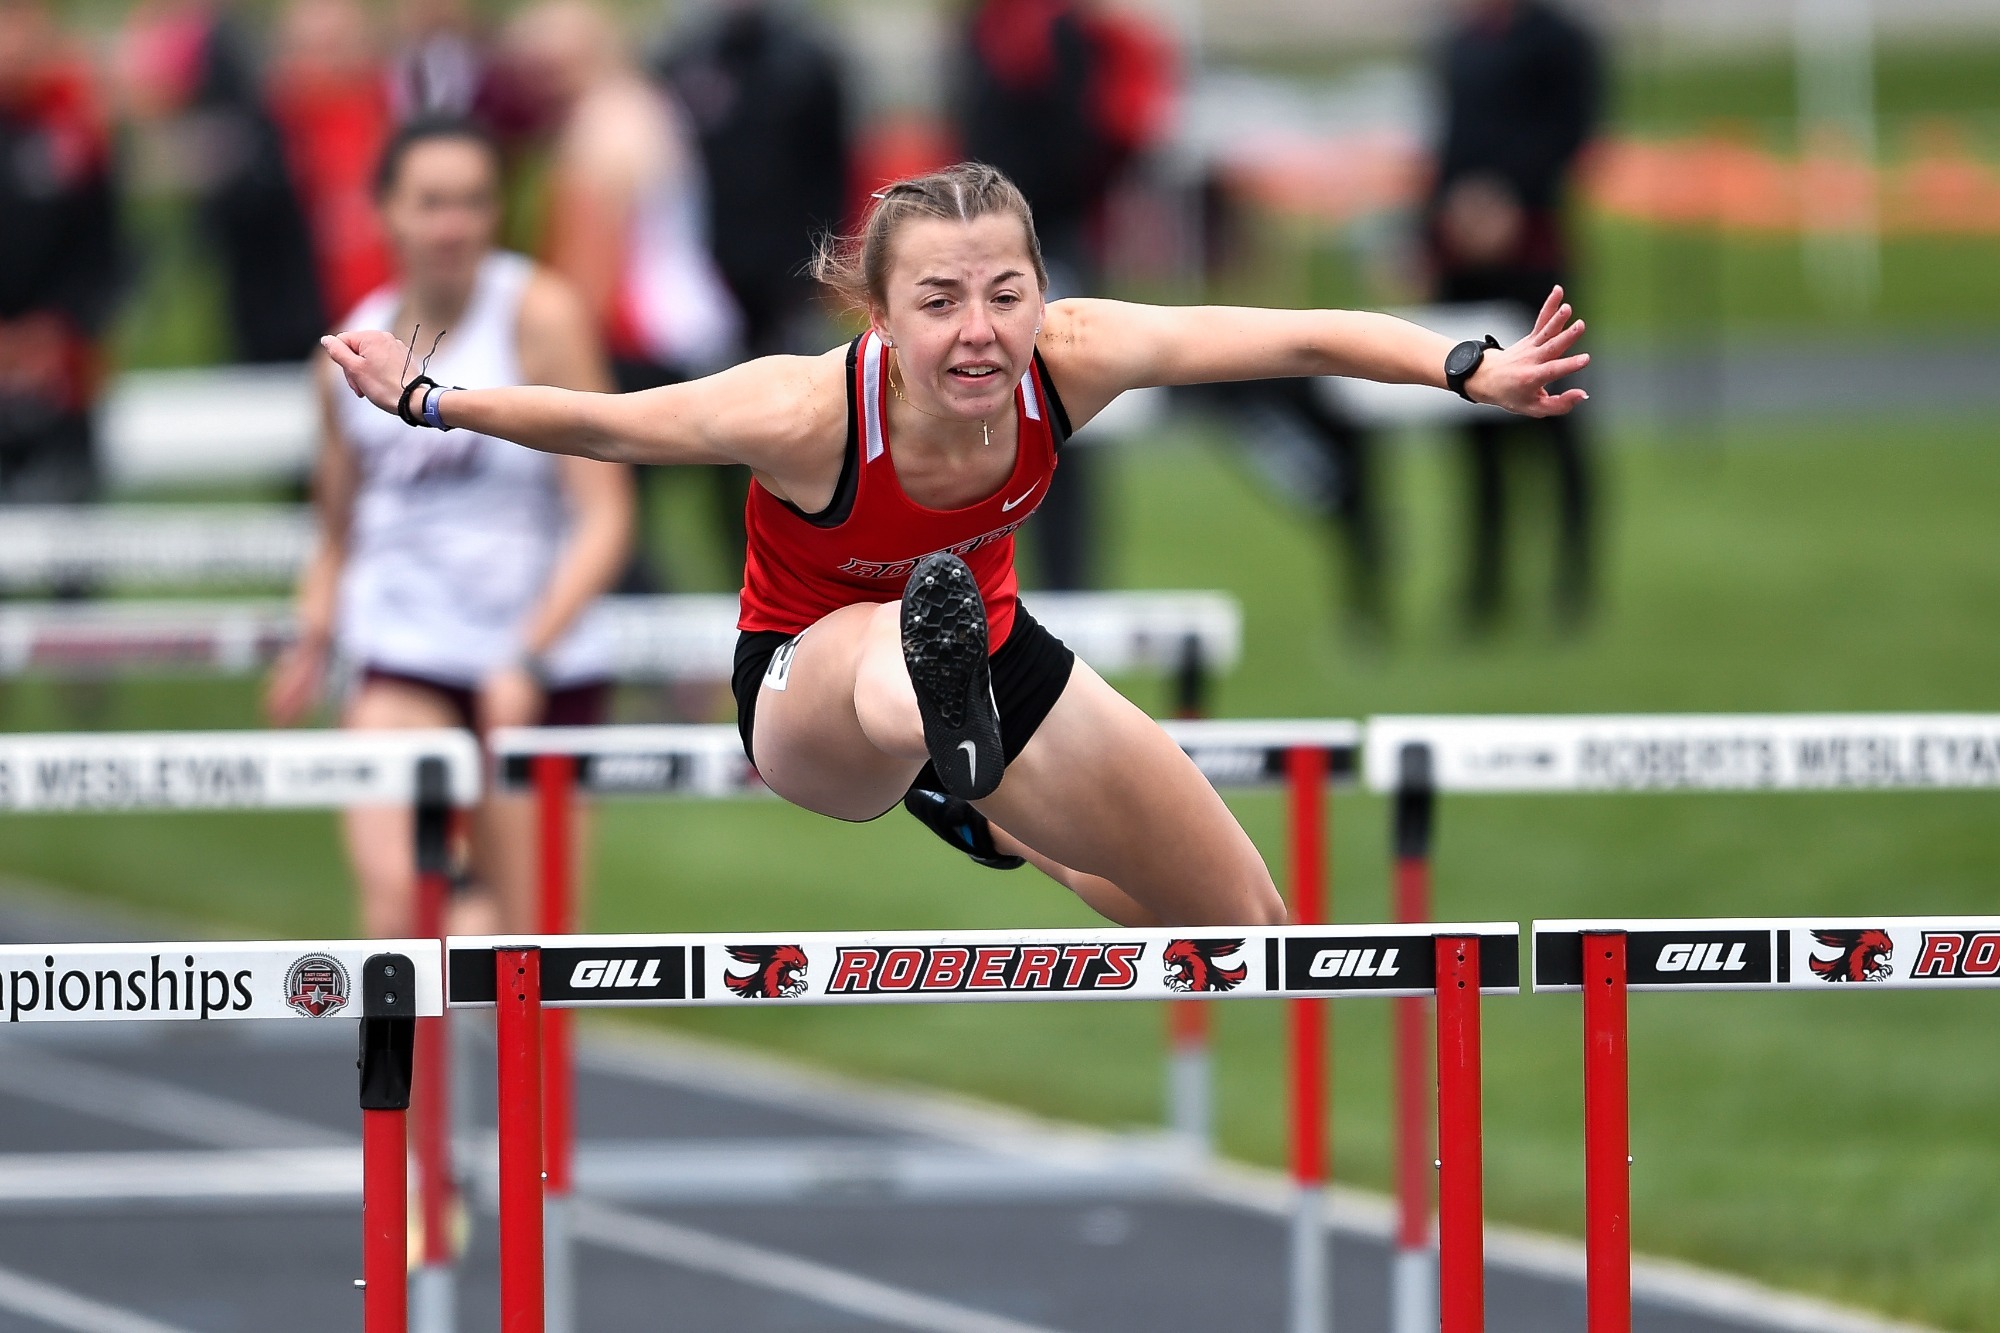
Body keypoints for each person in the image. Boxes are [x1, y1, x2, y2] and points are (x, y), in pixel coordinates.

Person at [322, 162, 1586, 927]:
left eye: (1005, 295)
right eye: (936, 303)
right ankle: (947, 745)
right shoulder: (802, 408)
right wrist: (429, 399)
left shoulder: (1076, 356)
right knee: (892, 635)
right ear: (877, 313)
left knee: (1242, 924)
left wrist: (1463, 366)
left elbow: (1298, 336)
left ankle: (980, 792)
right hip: (805, 692)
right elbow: (606, 426)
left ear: (1043, 291)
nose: (978, 334)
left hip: (982, 655)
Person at [268, 116, 633, 938]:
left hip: (534, 661)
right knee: (400, 910)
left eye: (473, 202)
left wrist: (527, 654)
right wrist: (312, 633)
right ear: (384, 212)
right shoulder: (346, 355)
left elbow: (606, 513)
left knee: (528, 948)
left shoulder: (539, 319)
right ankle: (406, 1031)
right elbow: (338, 533)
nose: (452, 225)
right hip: (409, 652)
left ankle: (477, 928)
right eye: (431, 203)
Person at [506, 0, 740, 589]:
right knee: (682, 515)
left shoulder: (601, 129)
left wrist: (552, 347)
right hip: (691, 325)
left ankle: (669, 658)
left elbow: (593, 265)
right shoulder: (644, 106)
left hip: (639, 336)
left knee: (597, 498)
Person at [1427, 0, 1602, 631]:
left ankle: (1572, 581)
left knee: (1558, 417)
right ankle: (1484, 585)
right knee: (1472, 419)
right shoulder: (1458, 41)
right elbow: (1446, 142)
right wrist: (1437, 224)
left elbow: (1572, 133)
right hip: (1462, 260)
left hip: (1532, 255)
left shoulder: (1562, 38)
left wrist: (1509, 199)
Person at [0, 0, 121, 506]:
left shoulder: (75, 127)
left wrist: (54, 333)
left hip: (61, 374)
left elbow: (107, 253)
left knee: (71, 547)